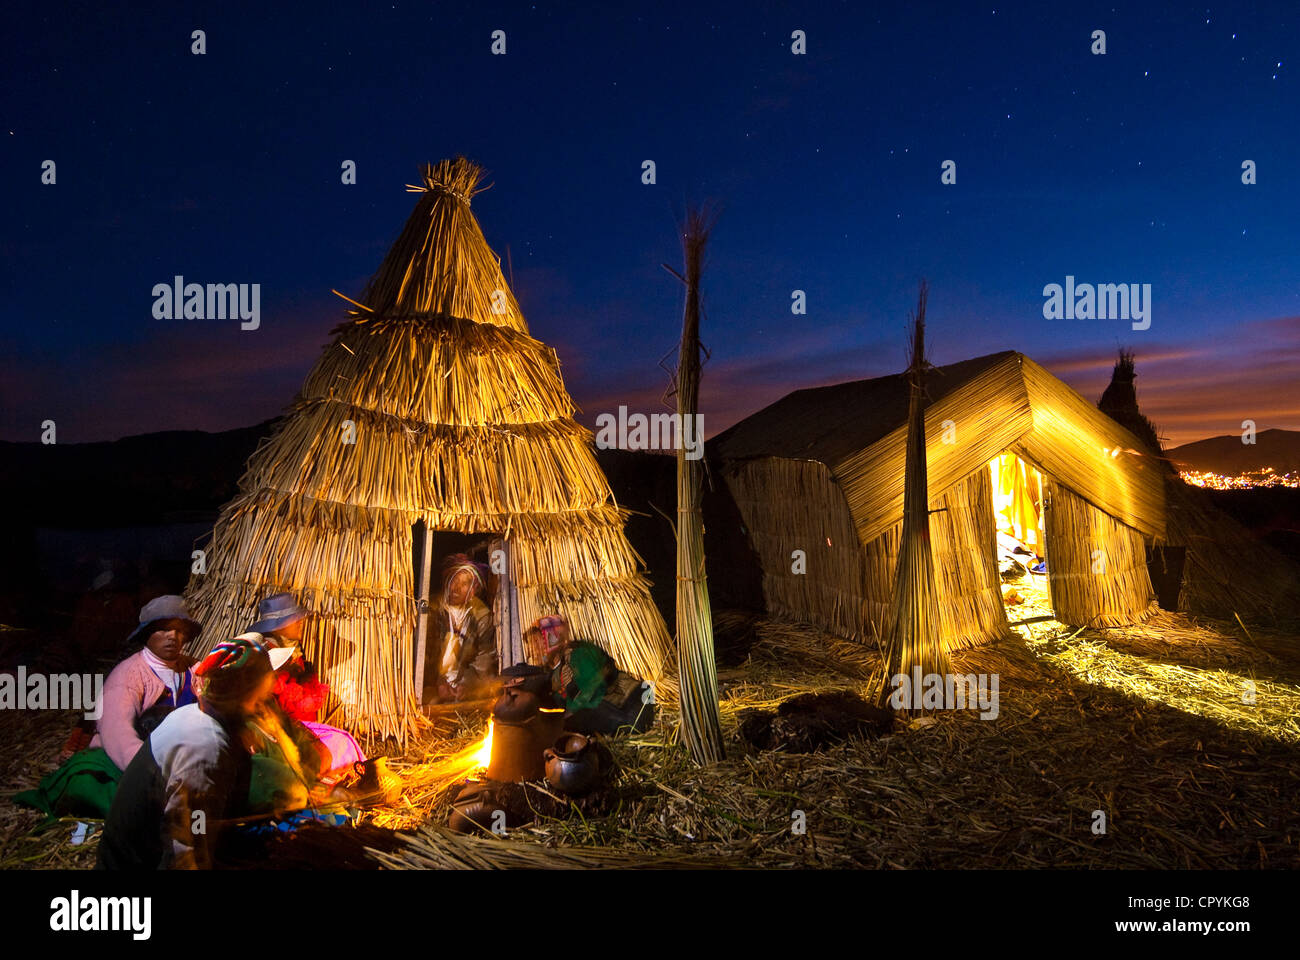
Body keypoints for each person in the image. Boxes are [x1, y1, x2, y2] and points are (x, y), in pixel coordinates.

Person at [97, 636, 278, 870]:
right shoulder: (203, 747)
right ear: (239, 696)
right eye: (258, 700)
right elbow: (190, 840)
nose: (262, 708)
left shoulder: (195, 714)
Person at [246, 593, 365, 774]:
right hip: (278, 730)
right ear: (280, 626)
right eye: (294, 620)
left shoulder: (291, 650)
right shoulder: (270, 656)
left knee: (341, 739)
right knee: (339, 743)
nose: (300, 622)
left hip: (293, 726)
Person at [90, 595, 202, 773]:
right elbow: (118, 734)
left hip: (184, 758)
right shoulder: (127, 676)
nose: (173, 636)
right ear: (146, 634)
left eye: (179, 630)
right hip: (135, 762)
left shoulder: (195, 669)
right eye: (164, 629)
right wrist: (152, 772)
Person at [524, 615, 654, 736]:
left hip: (635, 701)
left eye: (536, 641)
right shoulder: (554, 674)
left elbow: (594, 687)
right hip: (615, 709)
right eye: (530, 645)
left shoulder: (577, 654)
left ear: (552, 638)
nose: (532, 650)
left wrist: (568, 714)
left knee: (580, 716)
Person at [423, 554, 497, 703]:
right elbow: (422, 656)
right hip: (432, 686)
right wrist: (436, 683)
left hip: (466, 687)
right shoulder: (430, 611)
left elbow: (485, 657)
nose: (456, 587)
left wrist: (466, 684)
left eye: (464, 584)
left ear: (473, 590)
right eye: (454, 580)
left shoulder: (481, 616)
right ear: (446, 582)